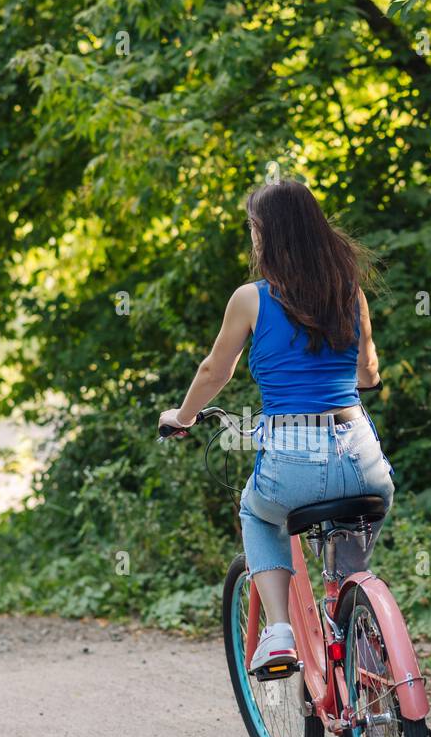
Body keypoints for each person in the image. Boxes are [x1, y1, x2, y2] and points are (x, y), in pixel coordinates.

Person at [158, 179, 394, 676]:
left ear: (264, 233)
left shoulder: (251, 299)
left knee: (258, 513)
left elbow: (213, 372)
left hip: (293, 458)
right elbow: (369, 373)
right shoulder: (349, 292)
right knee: (352, 570)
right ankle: (368, 660)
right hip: (363, 459)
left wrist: (181, 419)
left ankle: (280, 631)